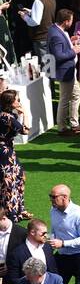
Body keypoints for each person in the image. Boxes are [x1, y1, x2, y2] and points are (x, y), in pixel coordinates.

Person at [47, 183, 80, 284]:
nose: (51, 199)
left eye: (54, 196)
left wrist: (63, 243)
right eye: (50, 196)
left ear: (65, 197)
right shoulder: (53, 210)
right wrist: (51, 240)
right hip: (62, 256)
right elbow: (54, 229)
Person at [0, 91, 29, 223]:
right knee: (9, 183)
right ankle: (11, 214)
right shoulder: (7, 117)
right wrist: (24, 113)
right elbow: (24, 130)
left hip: (7, 152)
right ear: (10, 103)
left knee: (19, 177)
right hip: (6, 154)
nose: (19, 102)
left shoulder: (5, 114)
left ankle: (19, 210)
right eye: (17, 100)